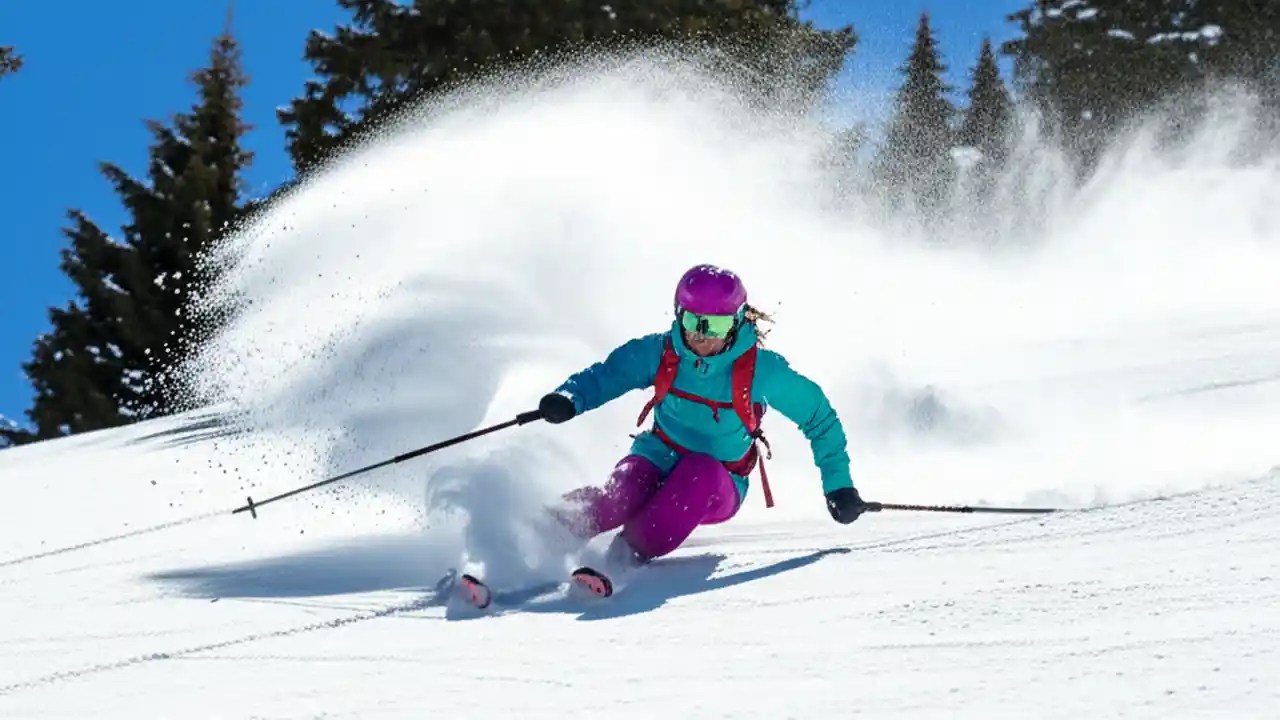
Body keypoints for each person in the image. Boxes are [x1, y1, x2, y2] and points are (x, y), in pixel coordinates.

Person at [535, 263, 866, 597]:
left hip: (719, 481)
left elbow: (819, 418)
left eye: (717, 325)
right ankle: (544, 529)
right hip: (657, 453)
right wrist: (569, 398)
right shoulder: (661, 352)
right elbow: (608, 374)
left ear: (737, 322)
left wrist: (839, 485)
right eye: (694, 322)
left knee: (700, 470)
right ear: (679, 315)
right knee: (625, 490)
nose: (702, 336)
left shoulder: (761, 371)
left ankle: (622, 557)